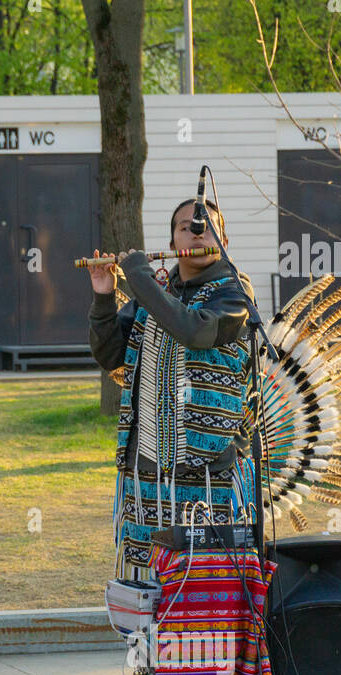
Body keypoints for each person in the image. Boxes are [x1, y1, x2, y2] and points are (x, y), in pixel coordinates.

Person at [87, 199, 258, 582]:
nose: (196, 233)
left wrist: (142, 282)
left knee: (206, 589)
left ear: (224, 240)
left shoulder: (234, 292)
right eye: (185, 227)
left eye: (206, 227)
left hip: (211, 473)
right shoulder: (156, 294)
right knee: (146, 589)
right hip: (147, 469)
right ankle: (144, 644)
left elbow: (195, 331)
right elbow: (111, 353)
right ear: (172, 240)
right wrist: (103, 296)